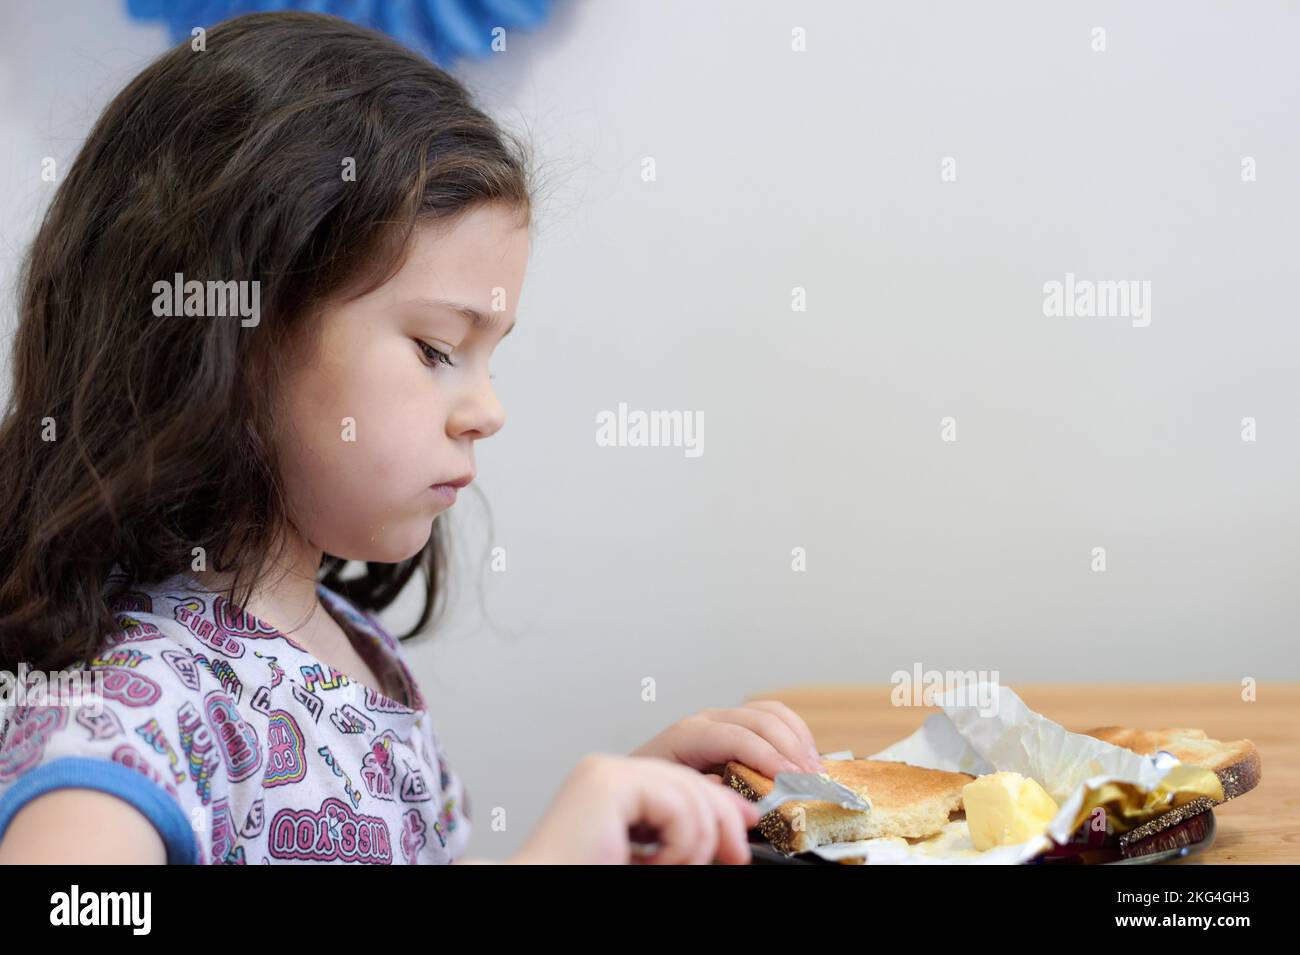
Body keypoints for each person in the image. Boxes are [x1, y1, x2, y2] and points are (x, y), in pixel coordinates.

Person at [0, 11, 822, 865]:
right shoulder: (119, 714)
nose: (487, 410)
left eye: (490, 357)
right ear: (238, 337)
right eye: (437, 350)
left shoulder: (360, 654)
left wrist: (631, 823)